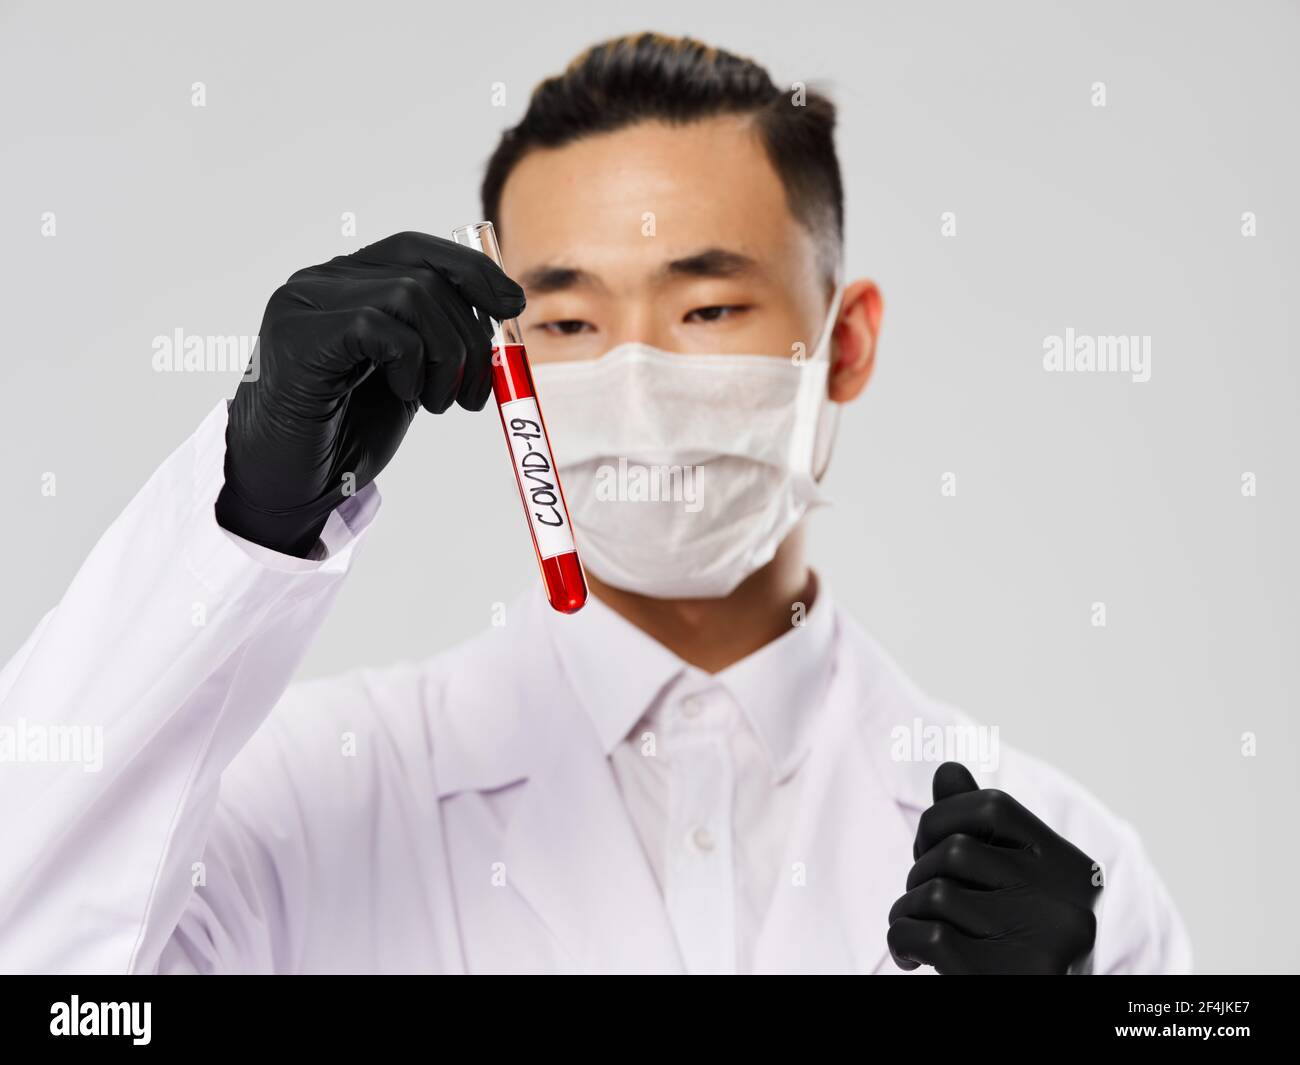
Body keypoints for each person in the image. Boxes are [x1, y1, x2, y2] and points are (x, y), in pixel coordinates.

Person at [0, 32, 1190, 974]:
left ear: (844, 343)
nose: (635, 377)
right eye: (566, 322)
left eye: (708, 309)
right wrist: (250, 515)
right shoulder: (306, 805)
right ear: (499, 349)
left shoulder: (1055, 874)